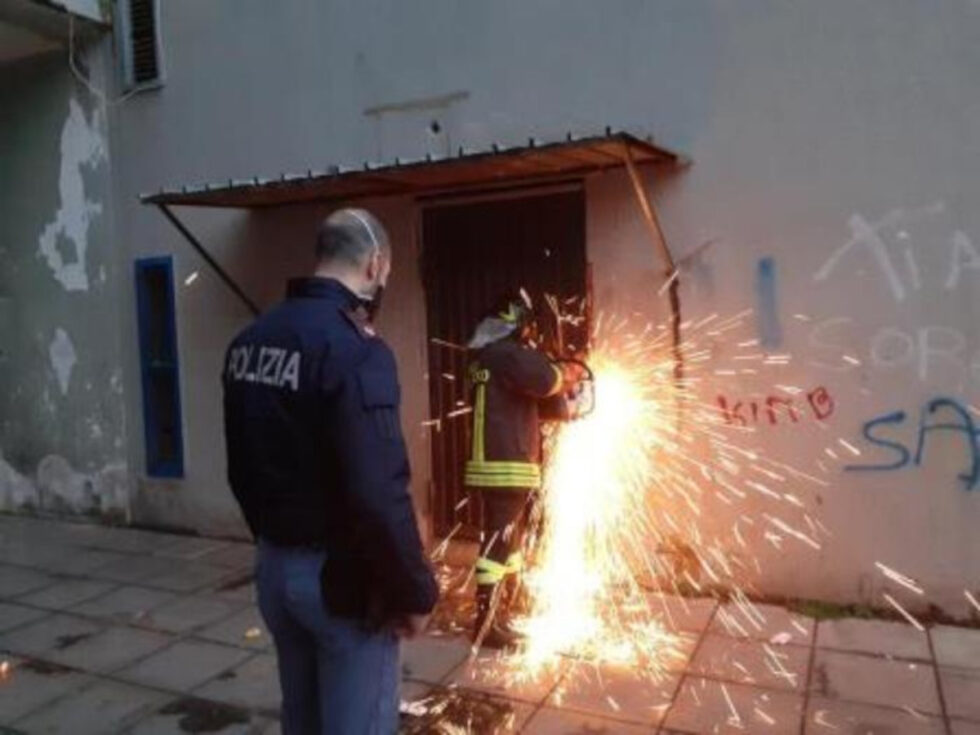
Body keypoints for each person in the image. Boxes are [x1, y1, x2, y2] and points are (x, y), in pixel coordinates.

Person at [222, 208, 438, 734]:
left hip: (274, 572)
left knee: (305, 720)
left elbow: (239, 467)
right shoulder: (356, 351)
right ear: (375, 264)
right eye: (384, 274)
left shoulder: (250, 341)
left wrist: (277, 544)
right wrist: (414, 592)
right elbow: (379, 492)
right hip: (339, 587)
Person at [464, 296, 586, 649]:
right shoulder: (505, 354)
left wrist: (568, 407)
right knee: (498, 542)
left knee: (508, 540)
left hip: (496, 463)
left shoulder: (484, 358)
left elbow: (532, 400)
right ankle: (487, 624)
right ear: (516, 323)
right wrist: (570, 374)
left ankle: (505, 607)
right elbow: (546, 379)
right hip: (507, 464)